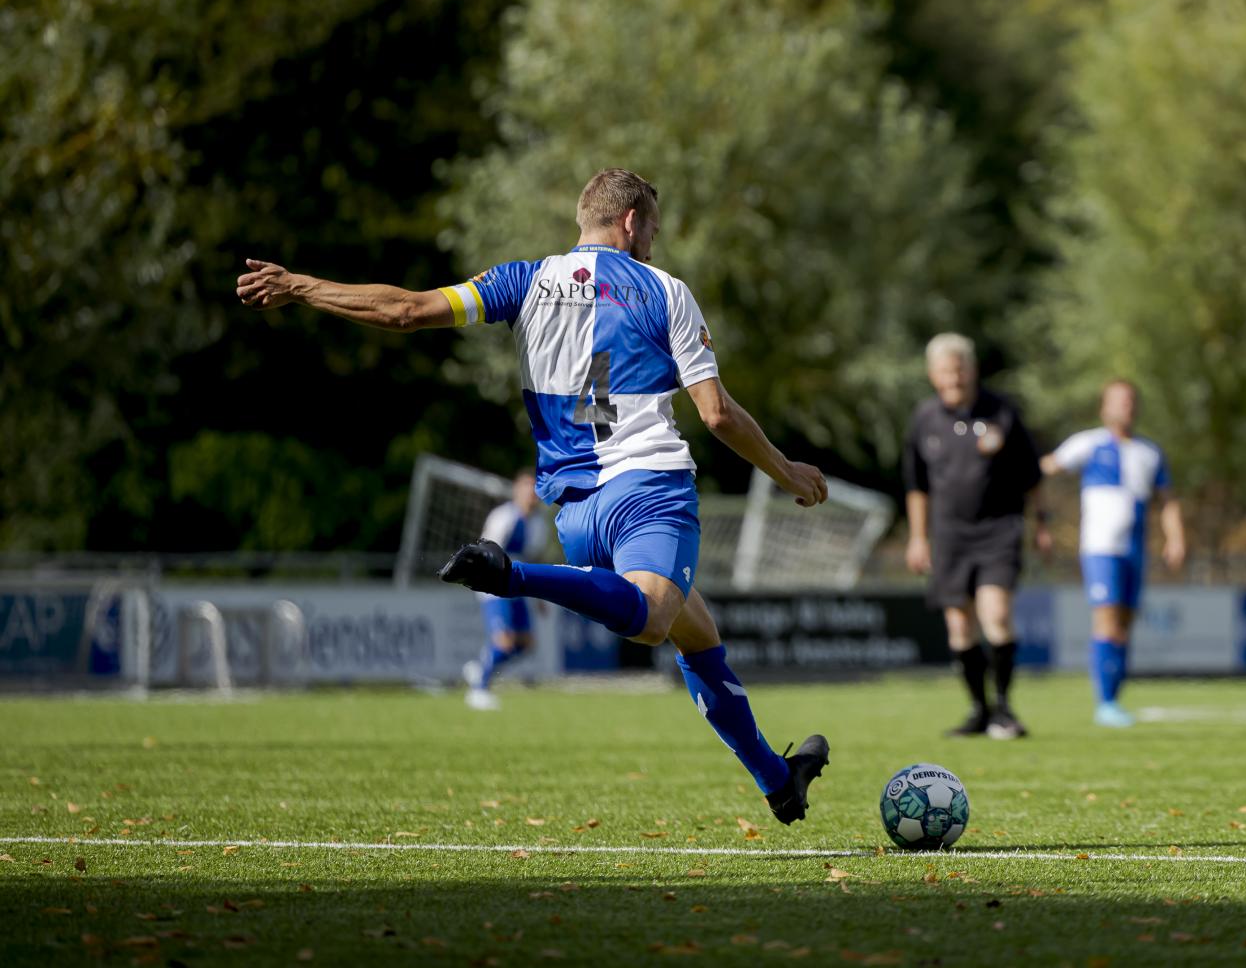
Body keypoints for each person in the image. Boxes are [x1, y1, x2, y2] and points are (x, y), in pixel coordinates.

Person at [235, 168, 833, 824]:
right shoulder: (665, 291)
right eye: (653, 230)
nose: (653, 244)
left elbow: (405, 310)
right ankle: (512, 575)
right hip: (648, 488)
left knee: (696, 633)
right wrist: (787, 472)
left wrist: (299, 286)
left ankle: (780, 782)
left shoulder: (522, 281)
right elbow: (716, 414)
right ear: (631, 221)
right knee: (654, 620)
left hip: (577, 514)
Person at [903, 333, 1045, 739]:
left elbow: (1032, 476)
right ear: (933, 375)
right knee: (960, 627)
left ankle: (1003, 708)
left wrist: (1043, 525)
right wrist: (918, 537)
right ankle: (979, 711)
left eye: (960, 369)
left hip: (999, 530)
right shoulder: (924, 419)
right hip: (949, 536)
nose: (954, 378)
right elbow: (916, 486)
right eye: (946, 371)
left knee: (996, 615)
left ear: (973, 369)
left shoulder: (1002, 412)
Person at [1041, 379, 1185, 728]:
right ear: (1104, 407)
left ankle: (1115, 699)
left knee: (1124, 624)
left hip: (1135, 548)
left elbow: (1167, 500)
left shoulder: (1149, 452)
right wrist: (1039, 517)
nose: (1126, 406)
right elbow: (1044, 468)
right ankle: (1105, 703)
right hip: (1101, 547)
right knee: (1106, 620)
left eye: (1131, 400)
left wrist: (1176, 538)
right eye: (1118, 400)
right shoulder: (1088, 444)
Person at [460, 470, 548, 711]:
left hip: (517, 585)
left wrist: (540, 596)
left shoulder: (538, 524)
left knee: (527, 643)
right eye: (527, 488)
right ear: (517, 491)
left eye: (535, 489)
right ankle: (479, 690)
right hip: (493, 584)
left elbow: (535, 559)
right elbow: (485, 550)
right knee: (504, 641)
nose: (532, 494)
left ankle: (481, 668)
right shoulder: (503, 516)